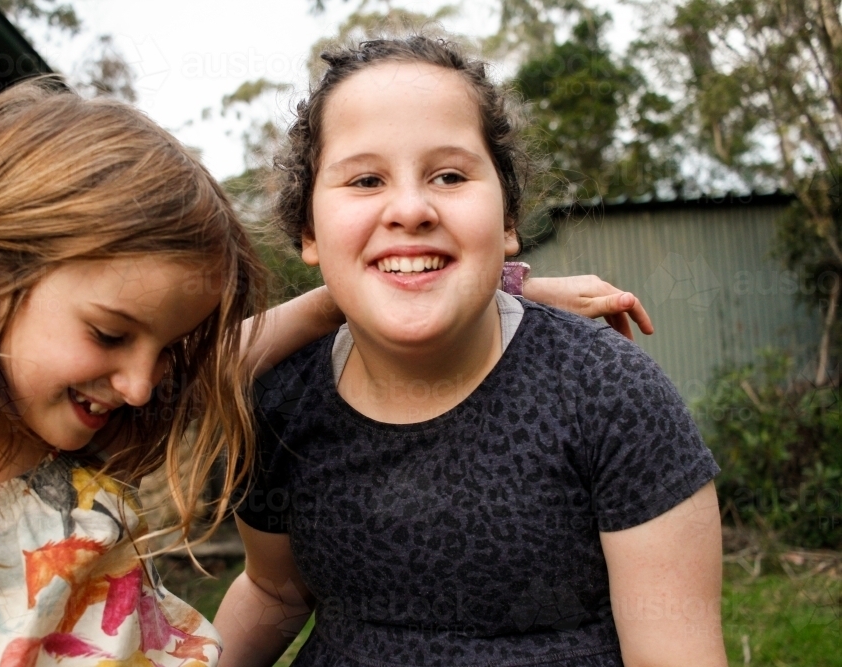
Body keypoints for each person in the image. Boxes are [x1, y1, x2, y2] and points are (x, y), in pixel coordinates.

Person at [214, 37, 727, 667]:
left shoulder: (609, 395)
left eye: (450, 176)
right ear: (309, 231)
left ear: (508, 221)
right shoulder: (283, 402)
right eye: (366, 179)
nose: (410, 208)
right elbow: (273, 592)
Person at [0, 79, 353, 667]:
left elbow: (230, 358)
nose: (140, 387)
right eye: (110, 334)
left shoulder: (76, 444)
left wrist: (337, 301)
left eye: (169, 347)